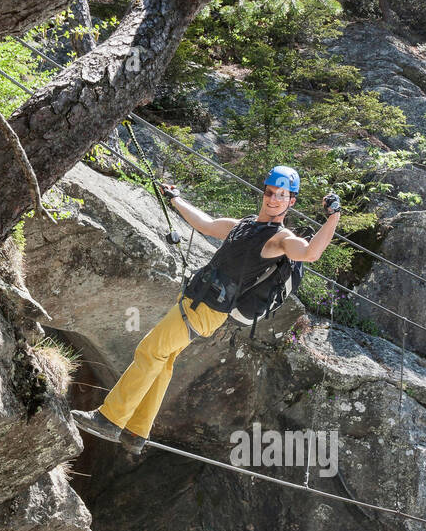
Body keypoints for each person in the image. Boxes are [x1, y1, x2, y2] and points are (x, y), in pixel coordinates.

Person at [71, 165, 341, 456]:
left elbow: (310, 252)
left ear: (291, 201)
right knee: (163, 362)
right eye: (270, 192)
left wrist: (333, 217)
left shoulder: (280, 239)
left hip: (208, 308)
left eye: (282, 195)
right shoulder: (246, 225)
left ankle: (110, 419)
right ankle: (137, 432)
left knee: (150, 351)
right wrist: (175, 199)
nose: (273, 199)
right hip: (196, 300)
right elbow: (207, 224)